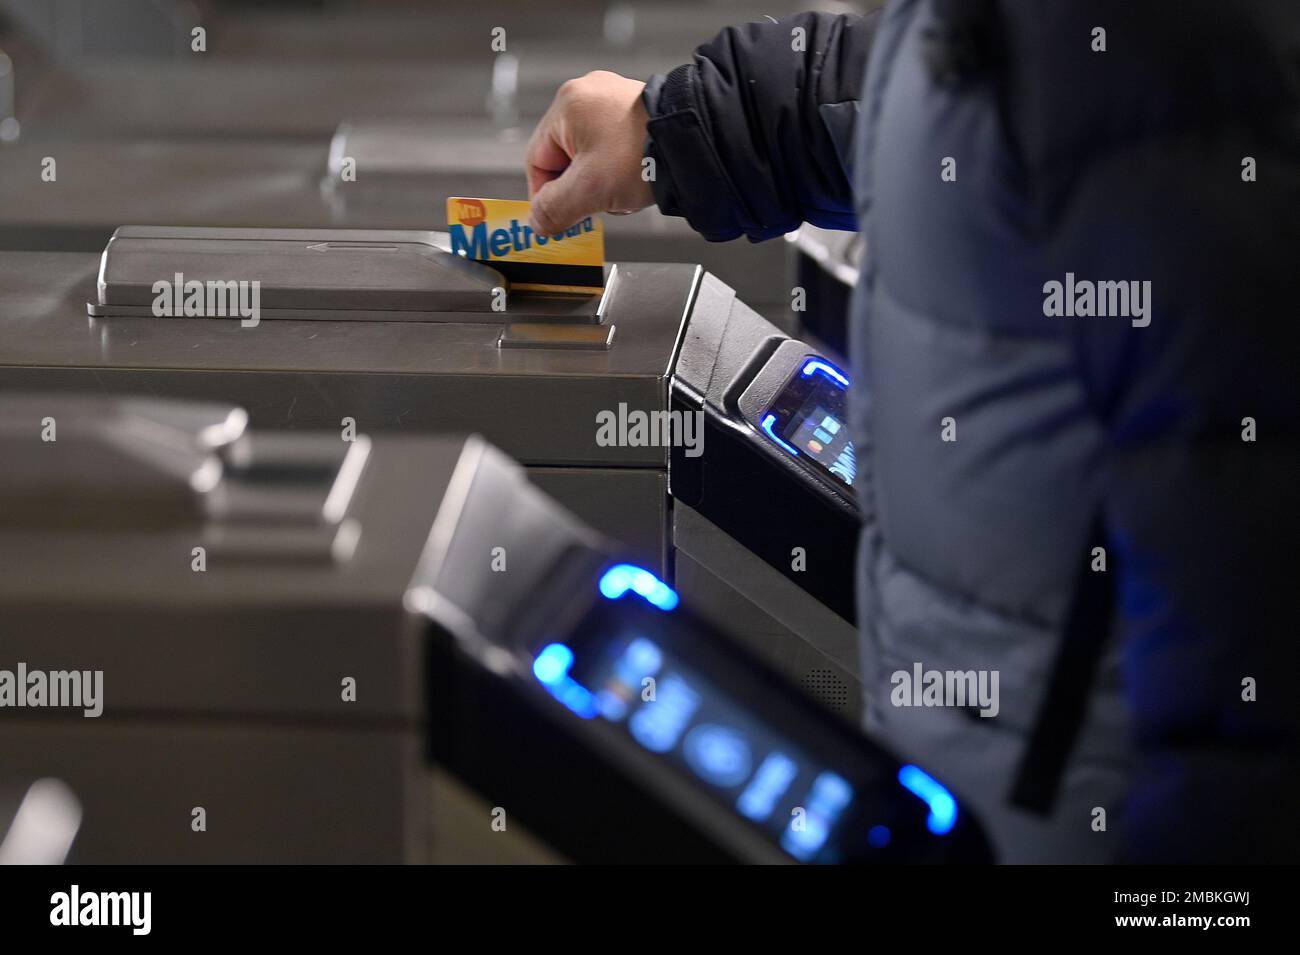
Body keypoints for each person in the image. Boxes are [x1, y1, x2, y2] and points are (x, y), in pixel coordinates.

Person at [525, 0, 1300, 863]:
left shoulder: (1216, 69)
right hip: (996, 764)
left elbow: (1245, 572)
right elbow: (983, 83)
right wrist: (689, 125)